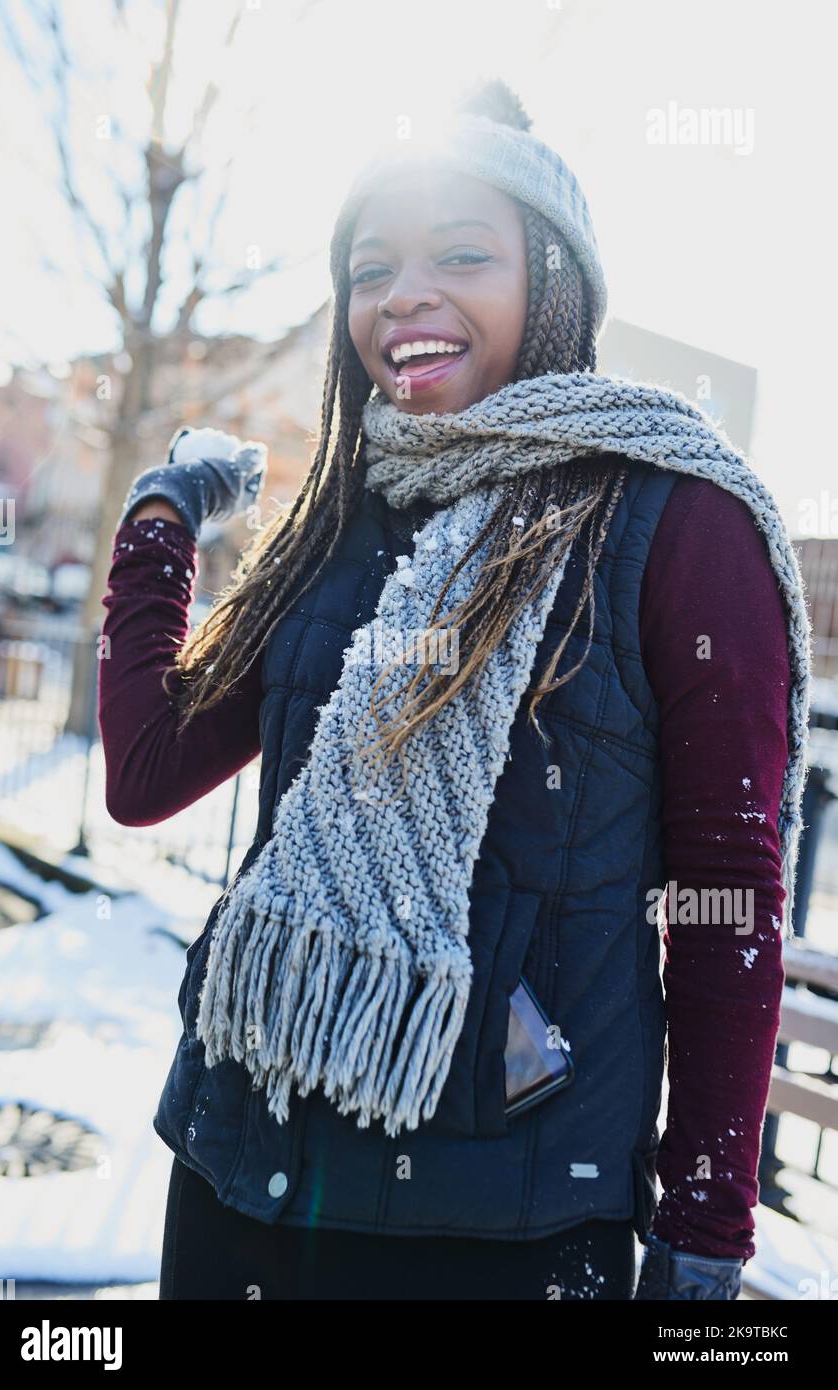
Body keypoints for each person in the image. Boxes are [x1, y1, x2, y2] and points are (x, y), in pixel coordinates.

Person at [98, 79, 810, 1301]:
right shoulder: (339, 519)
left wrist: (707, 1229)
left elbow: (727, 898)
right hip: (237, 1173)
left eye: (463, 254)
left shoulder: (676, 519)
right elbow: (148, 769)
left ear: (556, 280)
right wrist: (162, 519)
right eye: (371, 268)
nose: (403, 296)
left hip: (504, 1226)